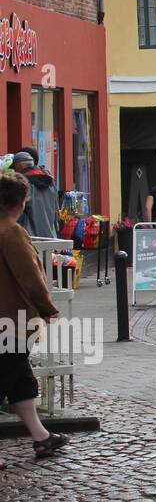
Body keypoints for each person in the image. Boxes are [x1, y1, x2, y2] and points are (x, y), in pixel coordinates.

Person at [0, 171, 71, 468]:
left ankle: (42, 437)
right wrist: (47, 308)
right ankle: (42, 437)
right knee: (6, 375)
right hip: (10, 321)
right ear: (19, 202)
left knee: (20, 381)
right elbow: (29, 277)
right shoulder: (11, 232)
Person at [12, 151, 58, 239]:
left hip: (29, 238)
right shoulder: (50, 181)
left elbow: (17, 214)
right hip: (51, 238)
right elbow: (56, 212)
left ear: (18, 166)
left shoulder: (22, 184)